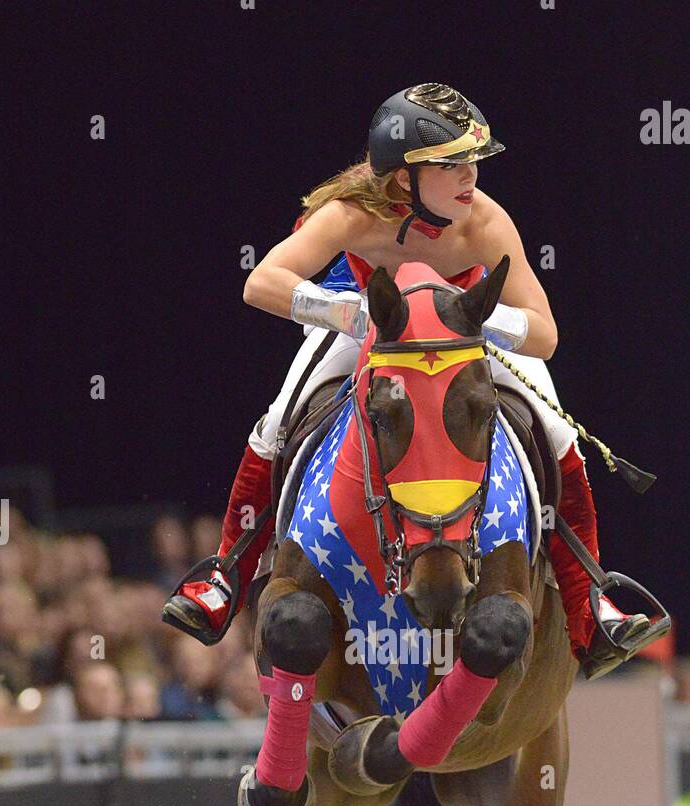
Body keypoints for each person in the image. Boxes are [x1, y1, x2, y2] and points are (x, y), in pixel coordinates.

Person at [164, 82, 664, 679]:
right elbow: (261, 282)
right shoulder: (351, 213)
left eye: (473, 160)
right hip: (371, 325)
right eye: (451, 164)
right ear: (404, 178)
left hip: (460, 336)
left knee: (557, 433)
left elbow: (545, 333)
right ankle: (225, 576)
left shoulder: (483, 221)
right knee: (279, 420)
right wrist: (348, 314)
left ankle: (590, 605)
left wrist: (463, 312)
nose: (470, 176)